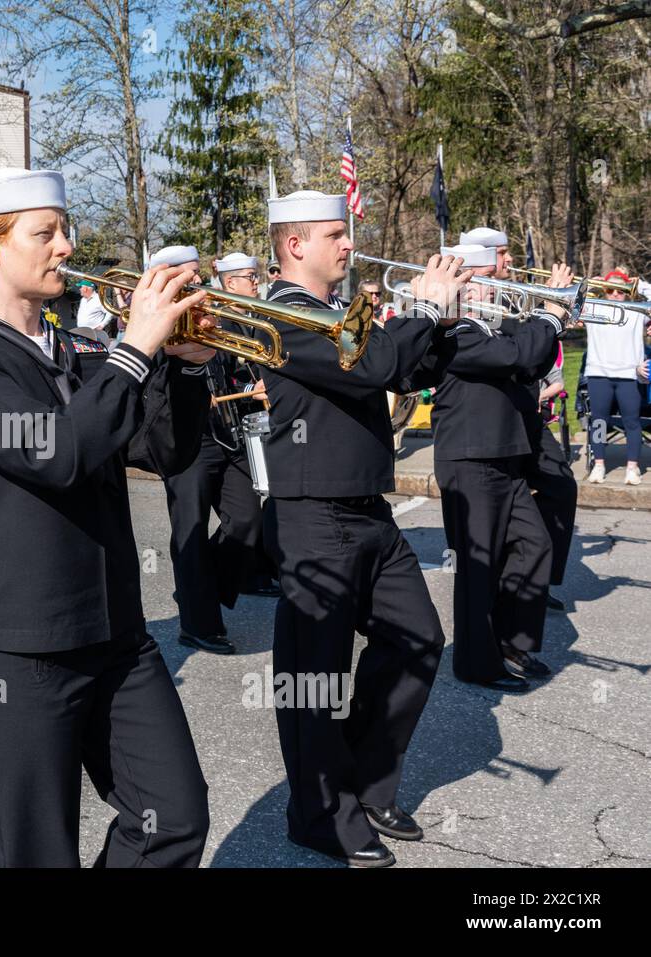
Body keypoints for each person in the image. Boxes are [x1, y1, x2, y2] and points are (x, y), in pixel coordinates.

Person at [0, 167, 214, 867]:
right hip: (22, 648)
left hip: (114, 631)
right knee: (36, 851)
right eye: (46, 232)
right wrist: (136, 347)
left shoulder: (75, 352)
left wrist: (186, 366)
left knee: (174, 815)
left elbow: (166, 451)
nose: (67, 244)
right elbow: (55, 452)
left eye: (65, 229)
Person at [258, 189, 467, 867]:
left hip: (367, 510)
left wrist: (444, 323)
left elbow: (407, 365)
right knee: (312, 676)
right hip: (311, 511)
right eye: (334, 235)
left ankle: (367, 782)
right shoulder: (280, 313)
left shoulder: (333, 315)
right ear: (295, 246)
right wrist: (424, 310)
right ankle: (317, 813)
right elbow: (372, 363)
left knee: (419, 639)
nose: (349, 244)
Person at [426, 244, 566, 693]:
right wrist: (549, 316)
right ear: (463, 280)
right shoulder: (452, 330)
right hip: (469, 458)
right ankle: (476, 663)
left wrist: (551, 325)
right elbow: (511, 358)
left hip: (505, 454)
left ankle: (510, 641)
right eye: (486, 275)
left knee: (534, 545)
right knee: (478, 568)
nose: (495, 284)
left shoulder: (495, 325)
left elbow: (530, 364)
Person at [159, 248, 274, 655]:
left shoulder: (216, 316)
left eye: (197, 275)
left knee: (247, 521)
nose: (197, 283)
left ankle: (196, 589)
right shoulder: (156, 320)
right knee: (189, 533)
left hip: (226, 435)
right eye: (188, 277)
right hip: (186, 441)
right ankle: (199, 623)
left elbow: (233, 374)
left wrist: (251, 389)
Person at [521, 340, 578, 611]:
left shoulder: (536, 331)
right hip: (497, 422)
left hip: (532, 420)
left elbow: (555, 379)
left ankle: (539, 581)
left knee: (563, 488)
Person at [580, 270, 649, 485]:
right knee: (599, 422)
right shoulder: (593, 308)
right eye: (610, 290)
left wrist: (641, 286)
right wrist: (591, 285)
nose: (616, 294)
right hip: (599, 374)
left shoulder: (638, 311)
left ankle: (632, 467)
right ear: (604, 291)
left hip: (630, 375)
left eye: (622, 290)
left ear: (628, 291)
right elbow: (571, 304)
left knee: (632, 422)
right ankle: (599, 464)